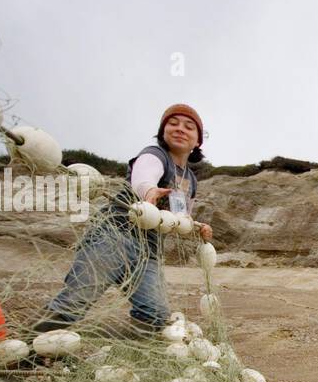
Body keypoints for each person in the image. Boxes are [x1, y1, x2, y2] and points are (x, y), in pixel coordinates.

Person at [33, 104, 213, 334]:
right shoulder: (154, 154)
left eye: (189, 127)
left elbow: (179, 217)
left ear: (198, 140)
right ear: (163, 131)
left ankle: (136, 355)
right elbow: (144, 177)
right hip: (113, 237)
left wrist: (197, 228)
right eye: (173, 123)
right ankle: (26, 352)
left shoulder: (191, 180)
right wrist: (149, 191)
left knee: (155, 316)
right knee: (73, 303)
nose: (180, 129)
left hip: (148, 252)